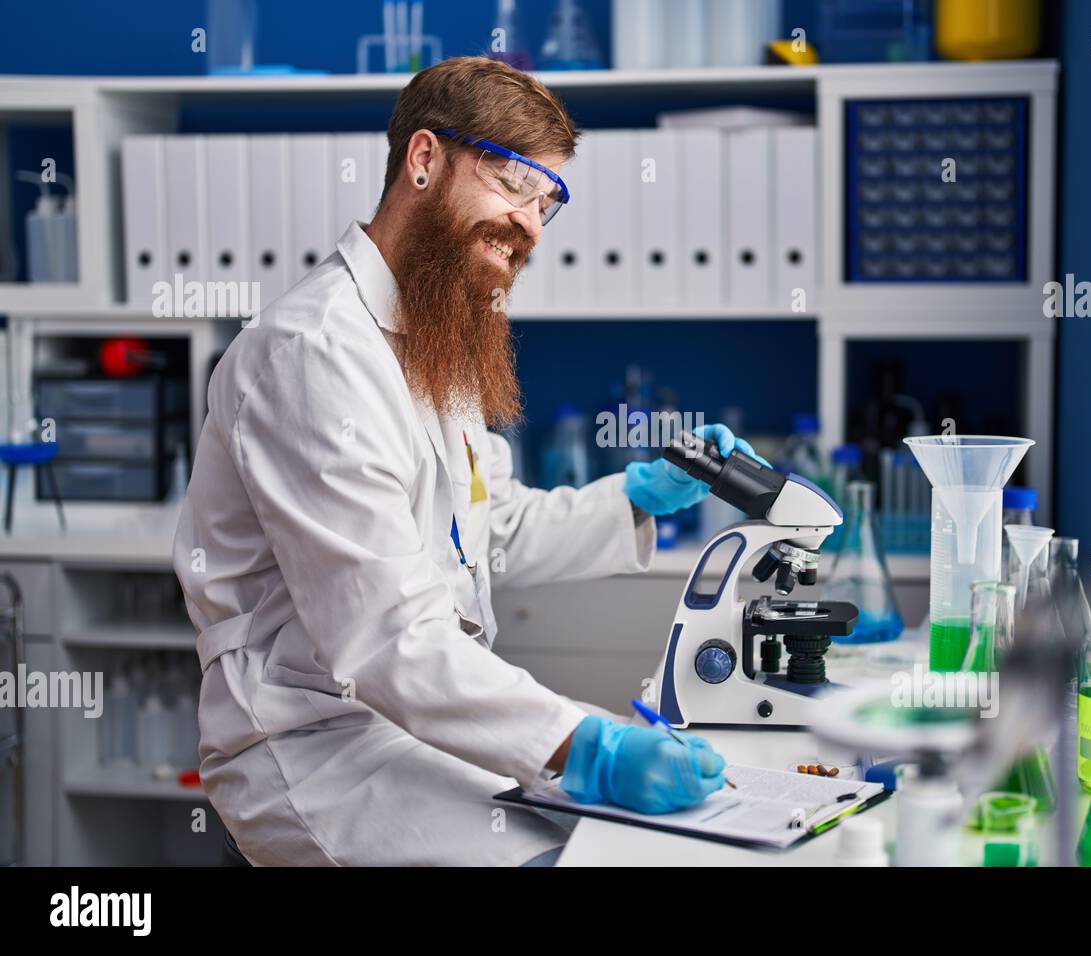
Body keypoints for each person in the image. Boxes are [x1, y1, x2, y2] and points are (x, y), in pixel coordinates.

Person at [173, 57, 760, 866]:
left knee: (651, 843)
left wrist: (635, 498)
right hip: (318, 749)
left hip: (424, 719)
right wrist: (589, 747)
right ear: (423, 160)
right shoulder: (312, 354)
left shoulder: (434, 328)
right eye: (514, 181)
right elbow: (385, 634)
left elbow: (491, 529)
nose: (533, 225)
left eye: (549, 201)